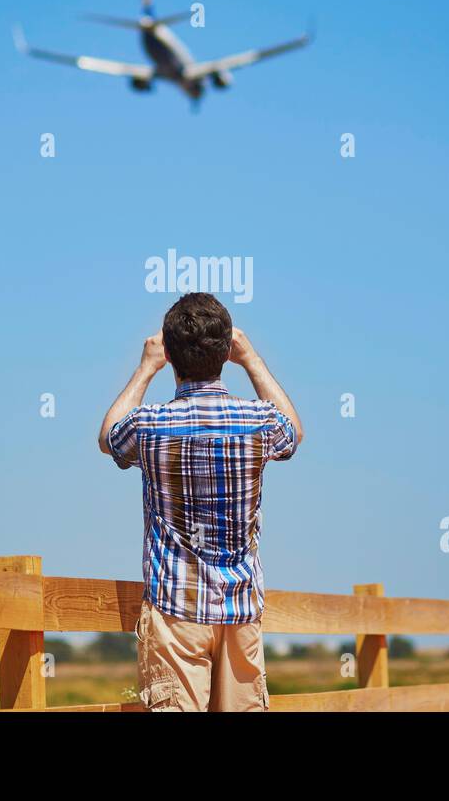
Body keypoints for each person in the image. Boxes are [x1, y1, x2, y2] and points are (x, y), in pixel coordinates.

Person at [98, 292, 303, 711]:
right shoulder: (258, 421)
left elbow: (108, 438)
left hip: (176, 606)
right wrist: (252, 360)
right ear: (226, 351)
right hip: (241, 604)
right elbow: (293, 434)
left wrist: (145, 368)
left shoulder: (150, 425)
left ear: (170, 355)